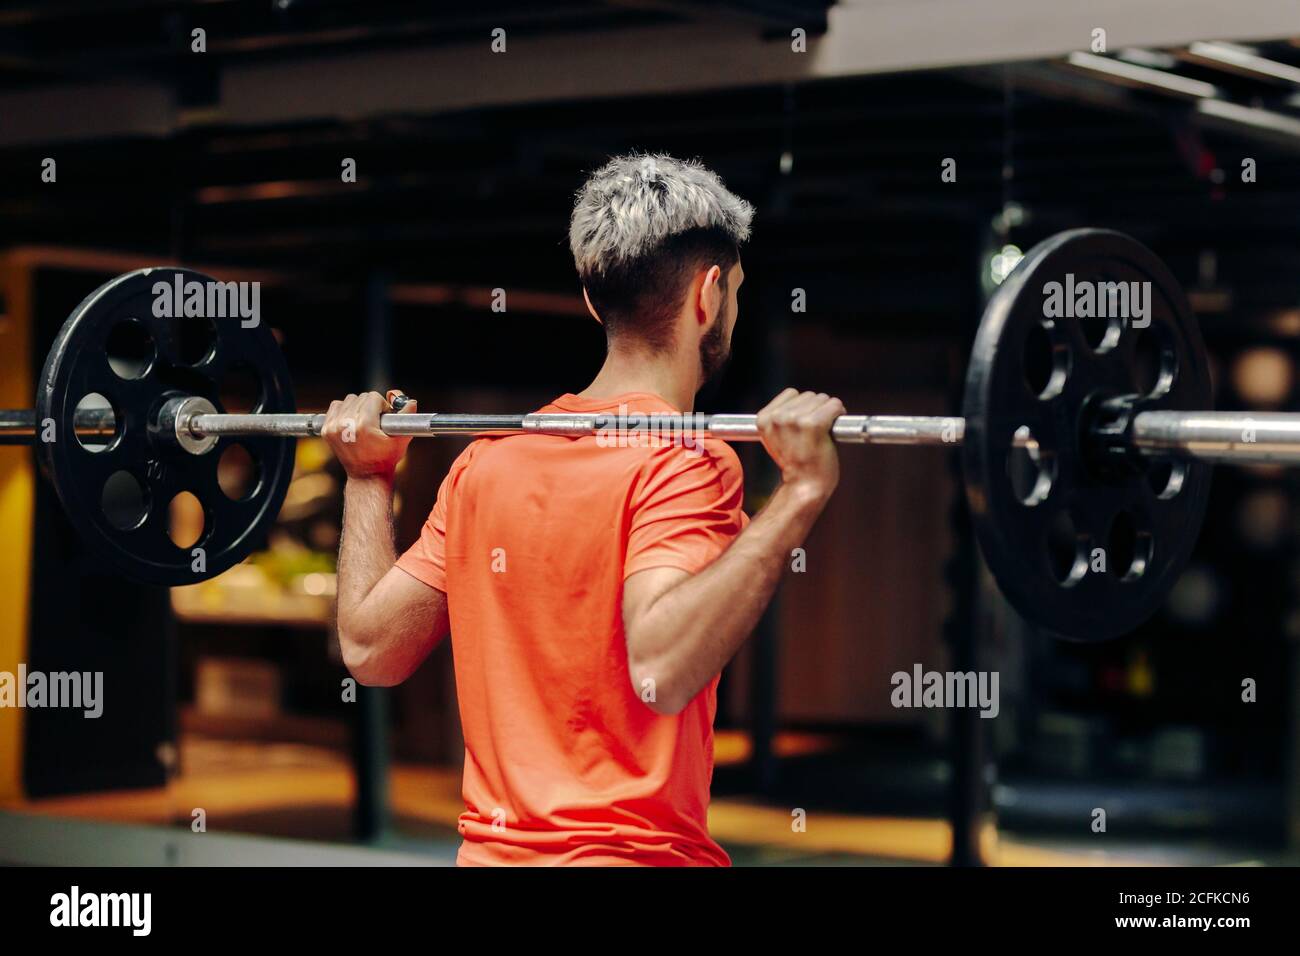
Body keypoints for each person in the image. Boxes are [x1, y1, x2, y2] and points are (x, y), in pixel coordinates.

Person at [323, 153, 845, 865]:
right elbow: (659, 666)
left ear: (595, 300)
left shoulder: (489, 461)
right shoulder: (685, 461)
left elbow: (370, 650)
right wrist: (800, 496)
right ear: (709, 294)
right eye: (737, 291)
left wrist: (367, 480)